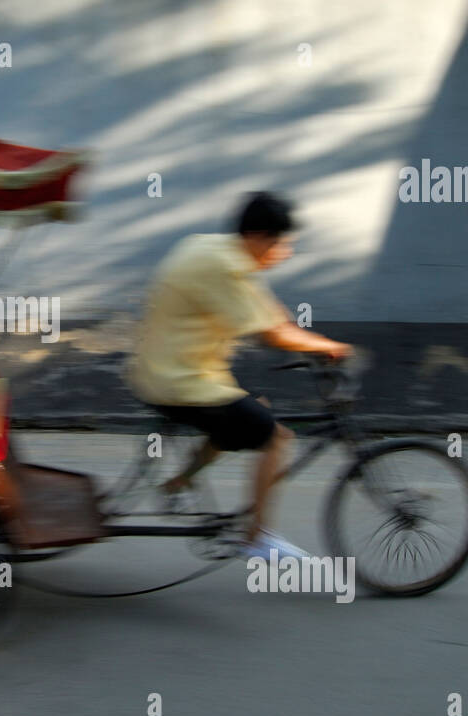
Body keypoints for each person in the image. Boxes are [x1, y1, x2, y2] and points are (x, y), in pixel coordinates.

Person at [127, 192, 353, 559]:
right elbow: (271, 334)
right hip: (179, 384)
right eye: (283, 244)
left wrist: (303, 336)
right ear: (261, 237)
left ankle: (180, 481)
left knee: (251, 409)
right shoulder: (225, 267)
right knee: (276, 437)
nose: (286, 253)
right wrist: (328, 346)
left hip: (167, 373)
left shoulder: (215, 249)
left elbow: (267, 308)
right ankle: (258, 537)